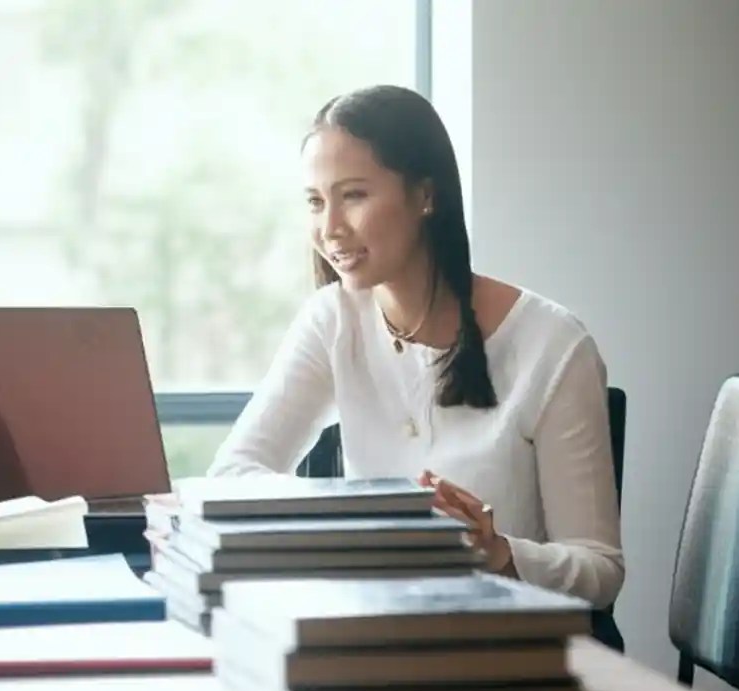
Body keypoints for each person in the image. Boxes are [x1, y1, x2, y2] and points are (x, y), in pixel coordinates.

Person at [207, 85, 624, 612]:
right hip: (377, 628)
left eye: (353, 196)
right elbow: (232, 477)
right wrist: (359, 510)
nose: (330, 228)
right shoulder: (332, 320)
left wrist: (496, 551)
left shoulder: (553, 344)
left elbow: (600, 571)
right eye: (315, 202)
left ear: (426, 195)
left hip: (508, 638)